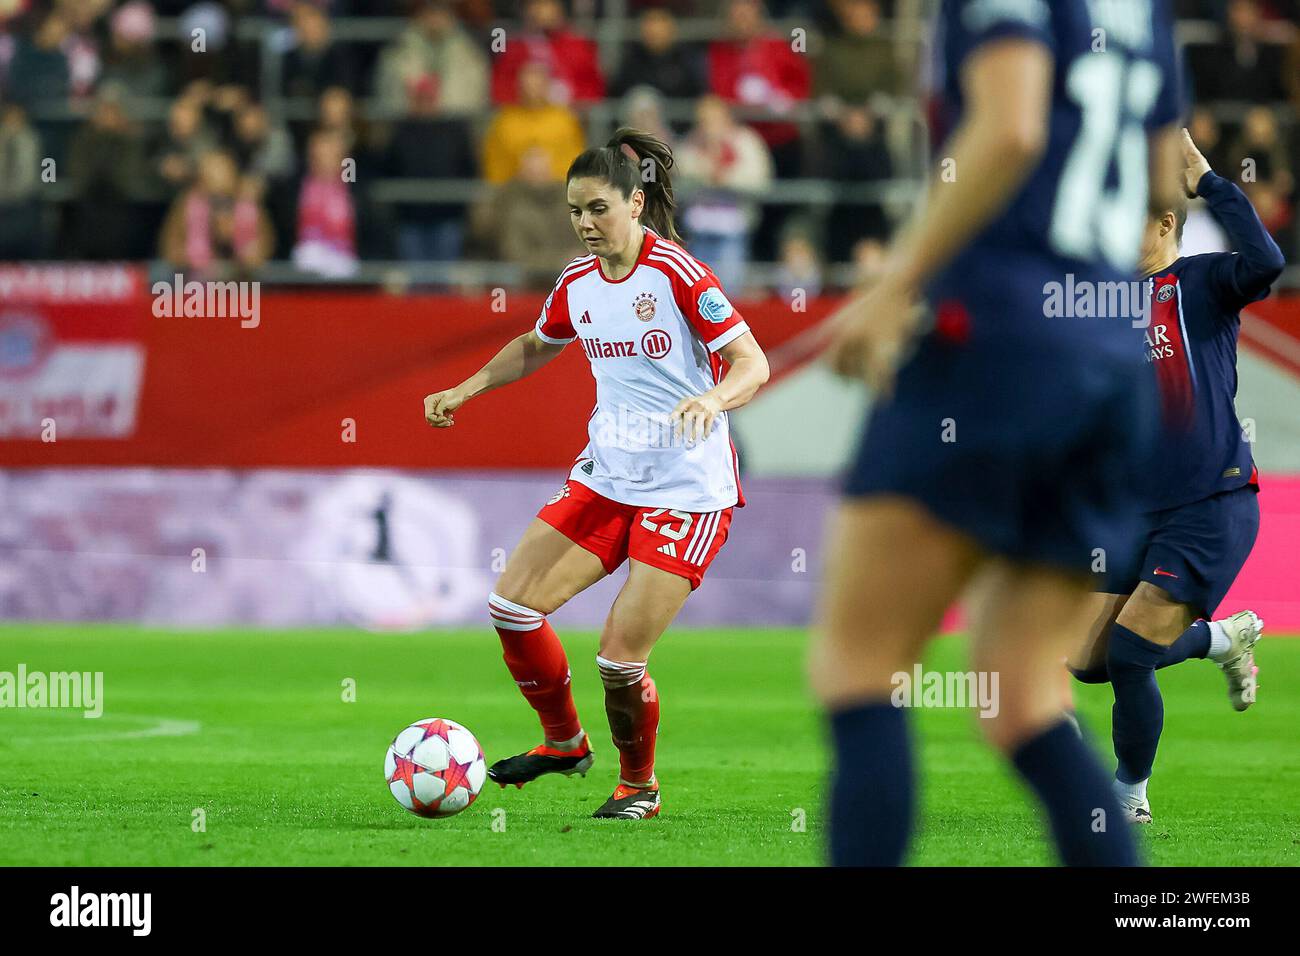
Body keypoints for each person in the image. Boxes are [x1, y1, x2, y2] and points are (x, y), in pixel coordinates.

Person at [810, 0, 1184, 866]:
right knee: (1024, 700)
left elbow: (1012, 126)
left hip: (997, 340)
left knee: (861, 668)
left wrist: (900, 278)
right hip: (1108, 359)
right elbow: (1163, 178)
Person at [423, 129, 769, 820]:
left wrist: (712, 398)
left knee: (619, 660)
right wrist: (465, 389)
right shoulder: (578, 283)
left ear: (635, 203)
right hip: (606, 478)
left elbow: (752, 364)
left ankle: (639, 787)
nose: (585, 223)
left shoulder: (679, 274)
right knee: (512, 607)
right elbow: (535, 345)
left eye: (598, 208)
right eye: (575, 210)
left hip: (686, 491)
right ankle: (564, 744)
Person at [1067, 129, 1286, 825]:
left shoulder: (1203, 281)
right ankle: (1225, 639)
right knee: (1086, 661)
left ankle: (1128, 796)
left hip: (1209, 500)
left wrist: (1212, 182)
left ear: (1164, 223)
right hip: (1133, 508)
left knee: (1131, 654)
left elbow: (1268, 260)